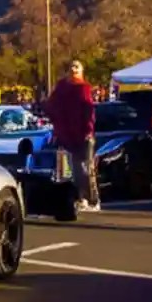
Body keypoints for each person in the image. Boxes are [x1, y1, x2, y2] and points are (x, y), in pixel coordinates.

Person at [45, 60, 100, 213]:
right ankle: (80, 198)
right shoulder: (62, 88)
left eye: (77, 67)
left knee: (85, 169)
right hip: (67, 136)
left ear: (81, 71)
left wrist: (88, 130)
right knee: (72, 170)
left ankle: (92, 199)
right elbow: (51, 107)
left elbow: (89, 111)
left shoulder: (84, 88)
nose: (74, 70)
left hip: (83, 135)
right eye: (71, 67)